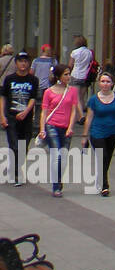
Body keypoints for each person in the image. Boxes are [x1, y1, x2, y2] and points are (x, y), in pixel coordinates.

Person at [37, 64, 83, 198]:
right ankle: (56, 186)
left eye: (69, 74)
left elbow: (74, 109)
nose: (68, 77)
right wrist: (42, 129)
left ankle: (59, 179)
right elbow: (44, 112)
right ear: (58, 76)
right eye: (66, 74)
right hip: (52, 125)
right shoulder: (49, 92)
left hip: (66, 127)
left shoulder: (72, 91)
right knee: (56, 155)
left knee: (63, 157)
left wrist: (71, 127)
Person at [82, 72, 115, 196]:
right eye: (103, 81)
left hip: (112, 133)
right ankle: (105, 185)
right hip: (97, 133)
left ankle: (101, 178)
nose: (105, 84)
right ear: (99, 83)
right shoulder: (94, 99)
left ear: (112, 83)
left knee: (107, 159)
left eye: (108, 81)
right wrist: (84, 136)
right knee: (102, 156)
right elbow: (89, 118)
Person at [1, 51, 40, 187]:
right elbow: (3, 97)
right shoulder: (9, 79)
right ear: (16, 63)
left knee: (23, 147)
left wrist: (26, 112)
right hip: (11, 117)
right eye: (20, 61)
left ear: (28, 63)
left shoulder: (33, 80)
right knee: (14, 145)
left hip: (26, 118)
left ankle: (15, 166)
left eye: (25, 61)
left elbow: (33, 98)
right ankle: (16, 173)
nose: (23, 64)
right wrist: (2, 116)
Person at [68, 35, 94, 110]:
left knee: (76, 98)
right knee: (82, 97)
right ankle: (82, 113)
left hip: (75, 75)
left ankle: (80, 116)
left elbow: (70, 65)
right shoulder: (89, 52)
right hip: (85, 76)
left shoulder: (74, 52)